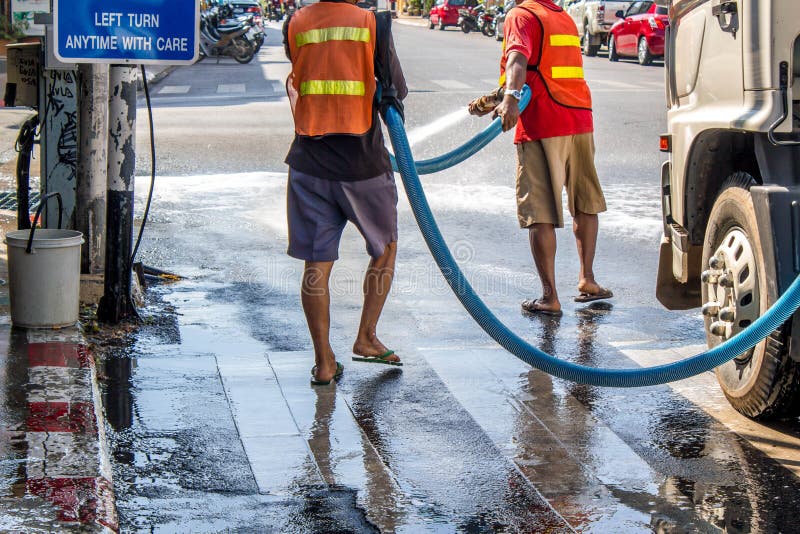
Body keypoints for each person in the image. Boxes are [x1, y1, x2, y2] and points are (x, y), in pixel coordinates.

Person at [283, 0, 408, 384]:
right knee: (385, 247)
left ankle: (323, 363)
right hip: (362, 162)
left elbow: (298, 76)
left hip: (308, 160)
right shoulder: (372, 24)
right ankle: (366, 337)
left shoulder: (296, 22)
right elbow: (396, 90)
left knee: (316, 265)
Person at [468, 0, 611, 317]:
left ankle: (550, 296)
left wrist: (509, 98)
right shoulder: (562, 18)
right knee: (585, 203)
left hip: (544, 123)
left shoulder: (521, 15)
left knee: (540, 212)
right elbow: (540, 72)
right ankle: (587, 279)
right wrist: (493, 99)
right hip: (580, 120)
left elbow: (518, 61)